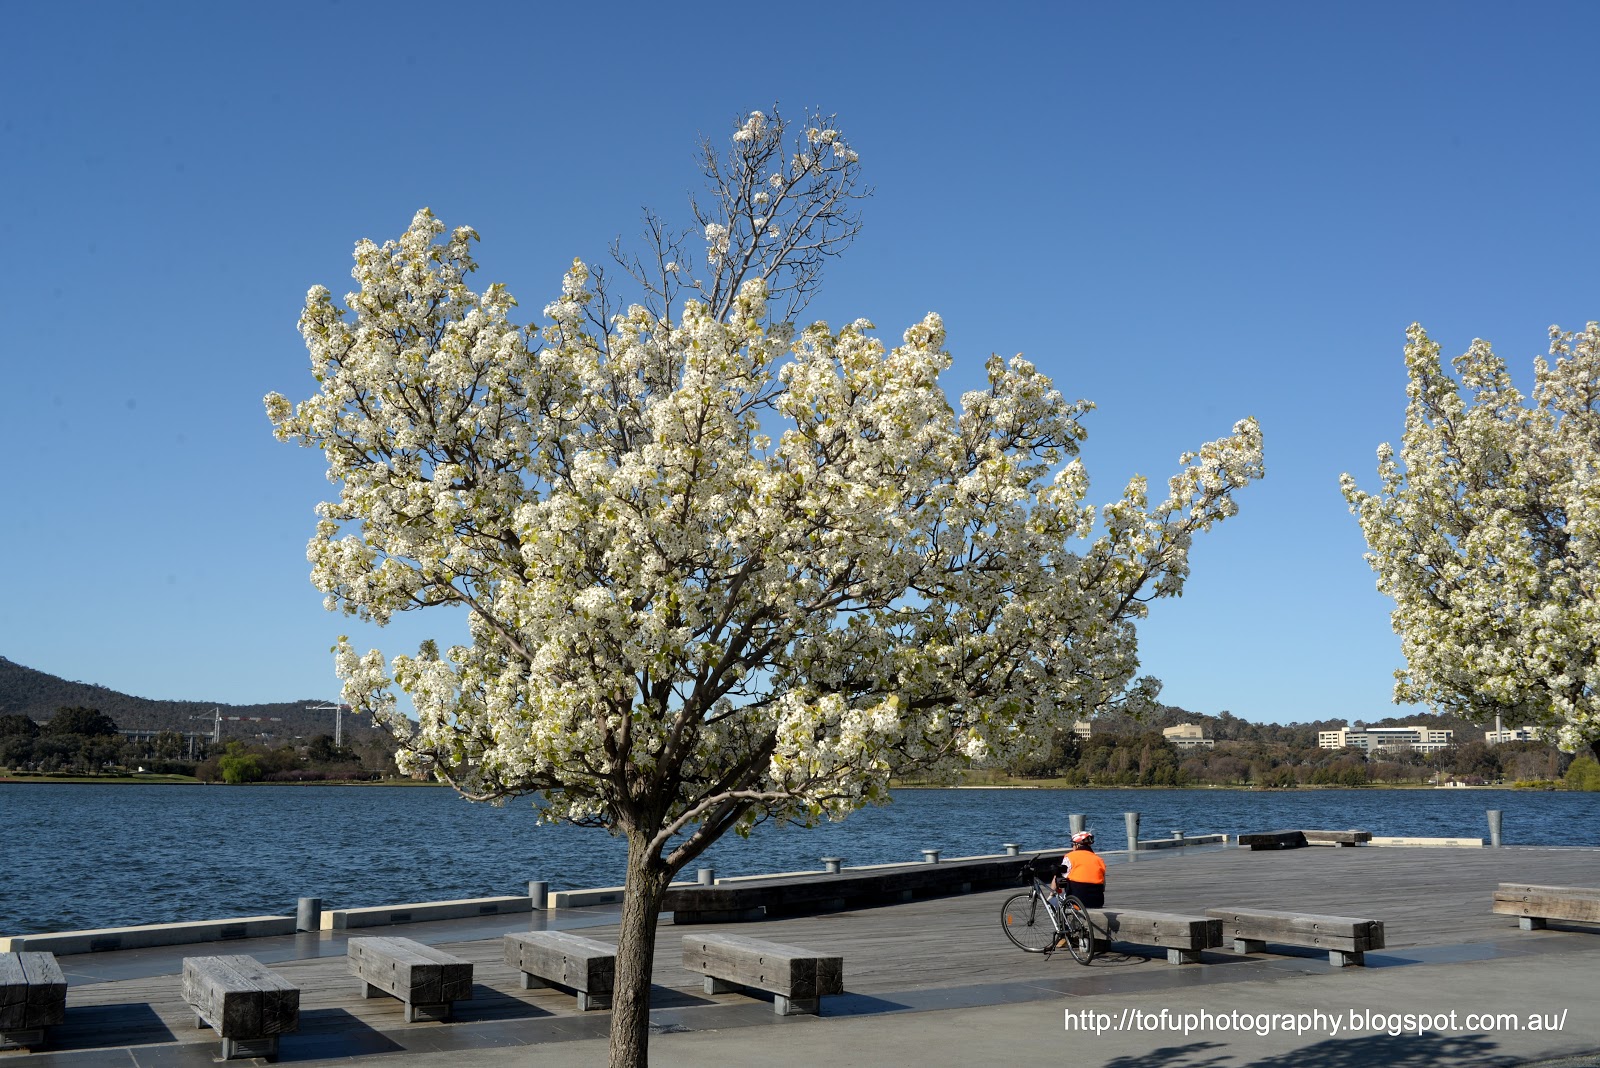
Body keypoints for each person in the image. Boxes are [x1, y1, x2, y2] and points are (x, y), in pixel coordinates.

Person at [1053, 829, 1106, 908]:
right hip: (1097, 902)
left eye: (1073, 845)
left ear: (1077, 845)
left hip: (1077, 902)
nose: (1072, 848)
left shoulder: (1070, 857)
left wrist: (1052, 893)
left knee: (1057, 877)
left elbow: (1060, 877)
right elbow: (1103, 887)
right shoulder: (1099, 860)